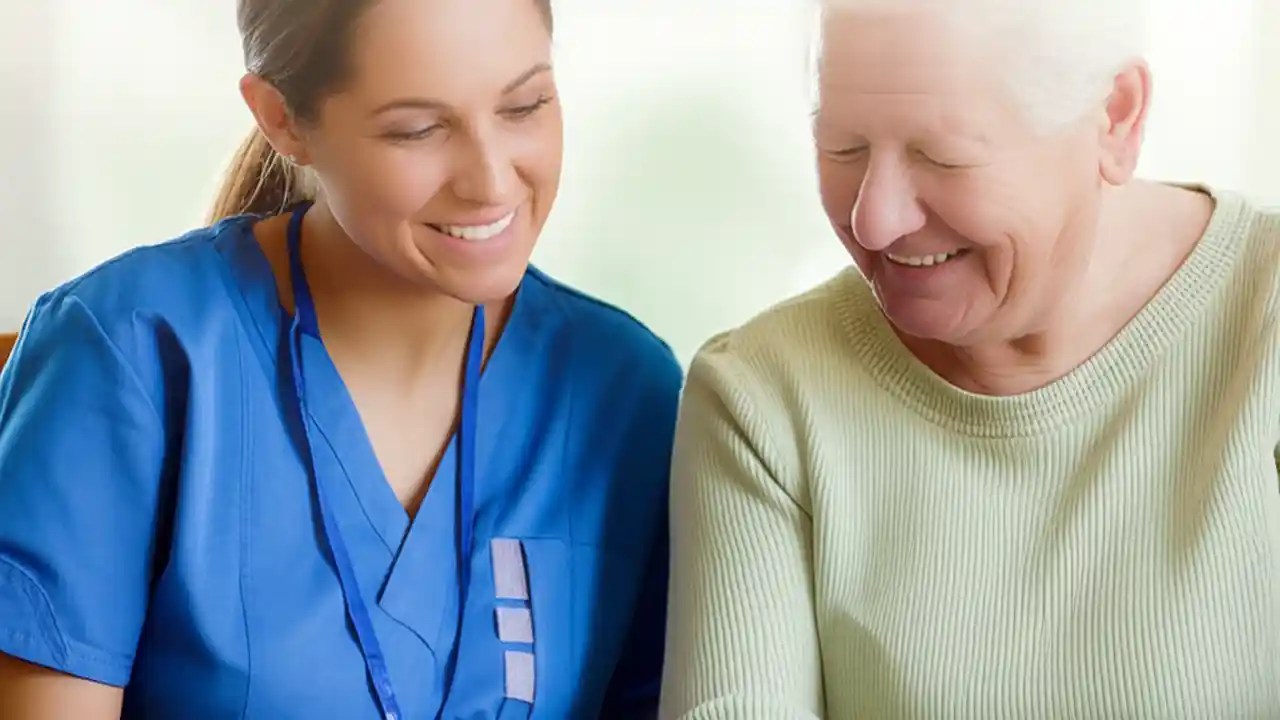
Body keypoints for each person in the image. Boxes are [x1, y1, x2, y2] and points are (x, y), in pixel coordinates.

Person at [0, 0, 681, 717]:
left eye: (524, 105)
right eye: (417, 129)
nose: (490, 180)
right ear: (282, 119)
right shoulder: (129, 355)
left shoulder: (625, 394)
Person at [661, 0, 1280, 717]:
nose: (875, 218)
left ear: (1115, 116)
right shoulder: (763, 399)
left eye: (942, 155)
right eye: (842, 147)